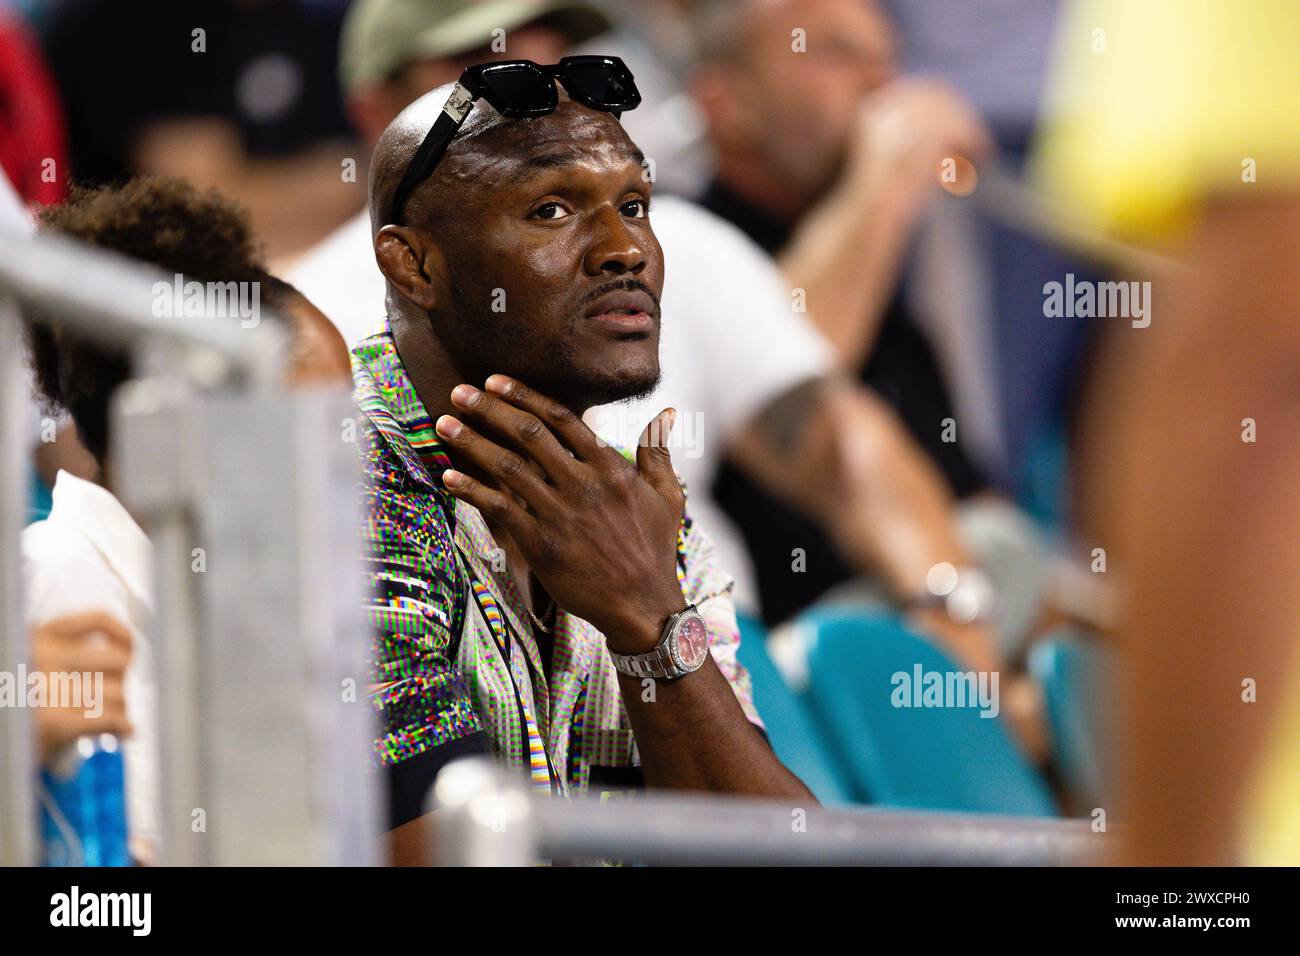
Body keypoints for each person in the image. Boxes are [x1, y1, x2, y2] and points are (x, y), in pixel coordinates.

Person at [290, 0, 1008, 684]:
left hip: (730, 677)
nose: (539, 95)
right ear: (374, 111)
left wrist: (953, 613)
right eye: (490, 67)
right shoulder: (308, 322)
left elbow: (839, 443)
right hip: (485, 707)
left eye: (559, 62)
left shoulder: (680, 245)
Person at [356, 73, 815, 860]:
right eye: (551, 211)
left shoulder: (629, 510)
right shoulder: (349, 494)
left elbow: (784, 855)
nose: (624, 250)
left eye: (634, 205)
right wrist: (644, 606)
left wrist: (648, 620)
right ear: (415, 266)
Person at [21, 176, 352, 863]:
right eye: (302, 433)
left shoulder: (253, 610)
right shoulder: (54, 583)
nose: (339, 467)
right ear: (176, 434)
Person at [689, 0, 1002, 623]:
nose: (879, 85)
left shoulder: (885, 282)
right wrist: (882, 182)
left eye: (888, 60)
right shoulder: (677, 249)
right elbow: (768, 366)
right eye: (835, 54)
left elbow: (978, 506)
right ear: (726, 103)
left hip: (942, 635)